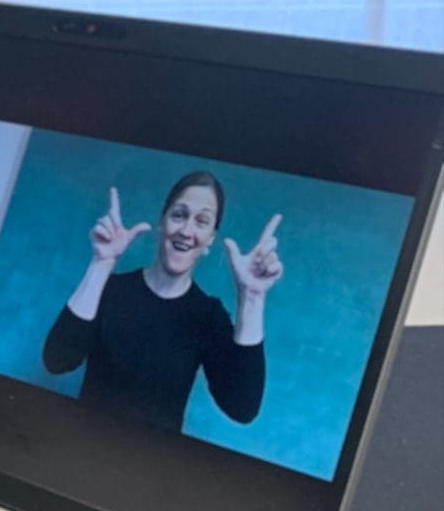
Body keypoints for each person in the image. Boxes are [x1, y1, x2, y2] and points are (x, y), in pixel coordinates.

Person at [42, 175, 282, 432]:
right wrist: (101, 263)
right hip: (82, 449)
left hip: (151, 466)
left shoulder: (208, 316)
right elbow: (56, 361)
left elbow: (242, 408)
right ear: (162, 222)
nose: (187, 231)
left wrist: (253, 297)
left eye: (202, 221)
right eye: (179, 215)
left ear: (211, 238)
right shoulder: (111, 289)